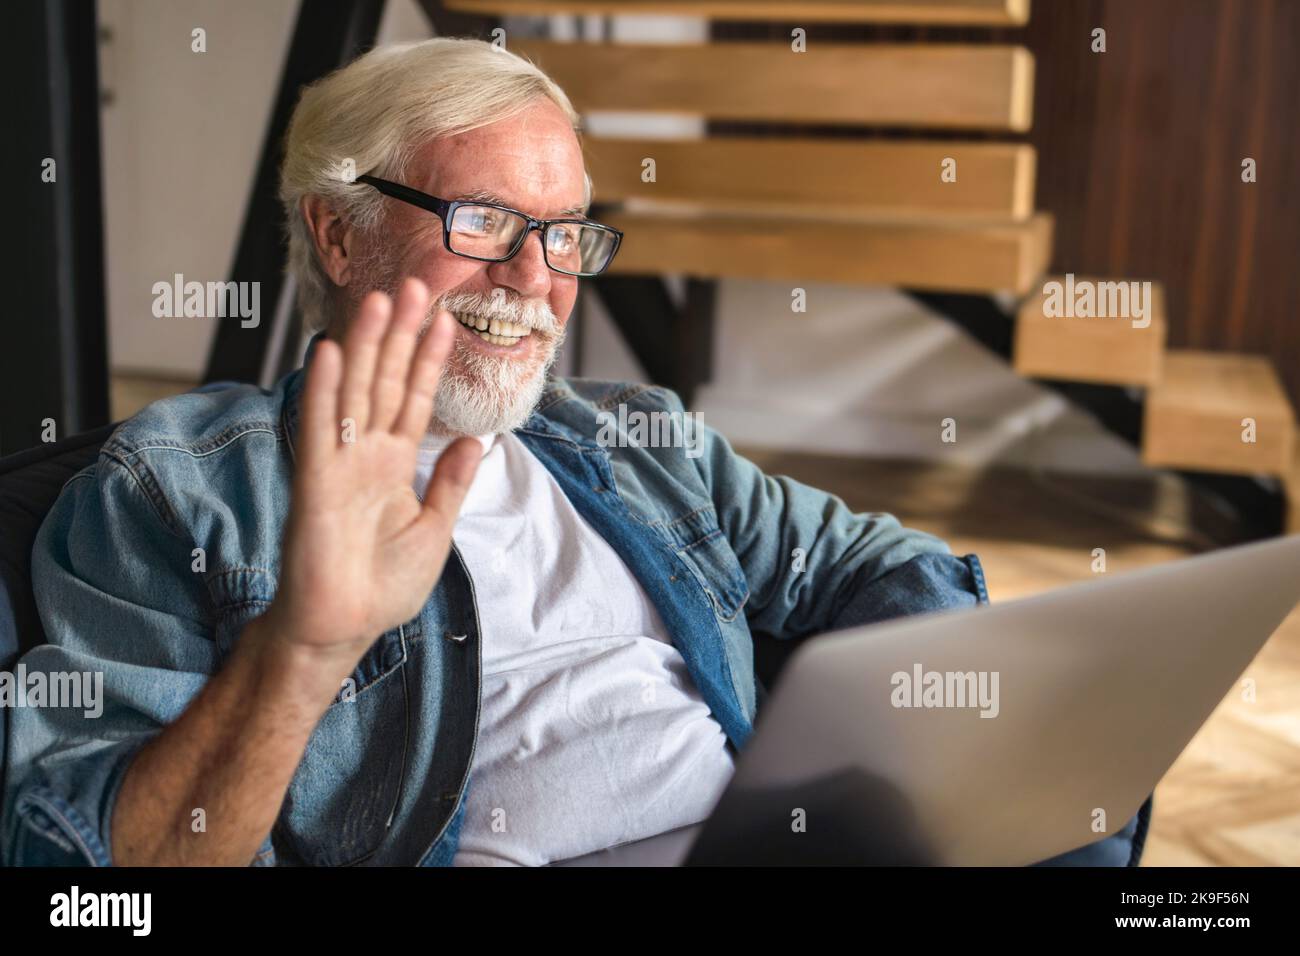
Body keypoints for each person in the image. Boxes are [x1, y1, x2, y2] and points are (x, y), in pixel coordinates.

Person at [1, 37, 1140, 866]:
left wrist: (954, 729)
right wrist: (305, 646)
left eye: (564, 235)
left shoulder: (629, 438)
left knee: (1083, 811)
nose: (534, 280)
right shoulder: (177, 490)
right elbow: (101, 880)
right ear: (339, 232)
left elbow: (870, 563)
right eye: (486, 222)